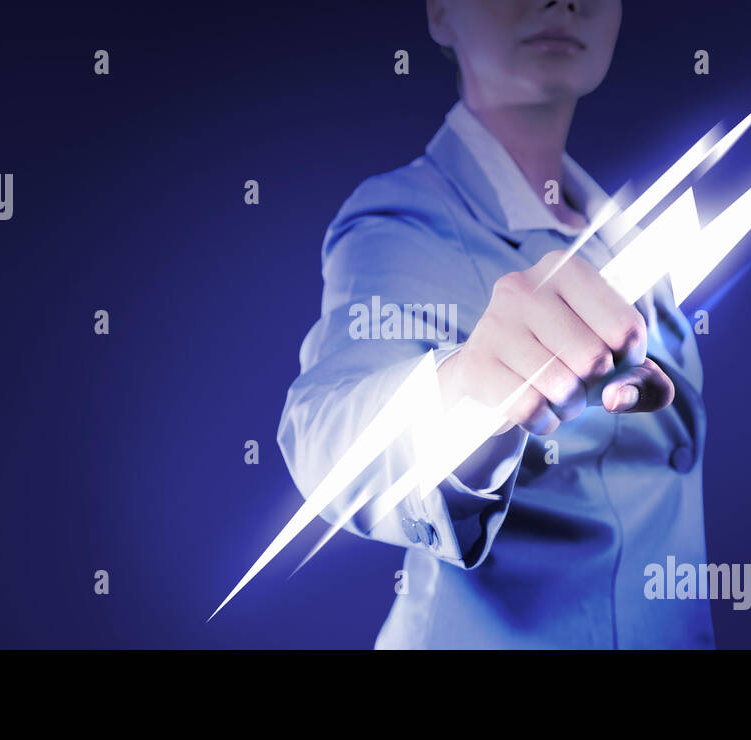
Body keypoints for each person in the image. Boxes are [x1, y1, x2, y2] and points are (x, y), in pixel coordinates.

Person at [277, 0, 713, 649]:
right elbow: (328, 432)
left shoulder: (623, 230)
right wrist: (465, 392)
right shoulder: (401, 218)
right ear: (440, 12)